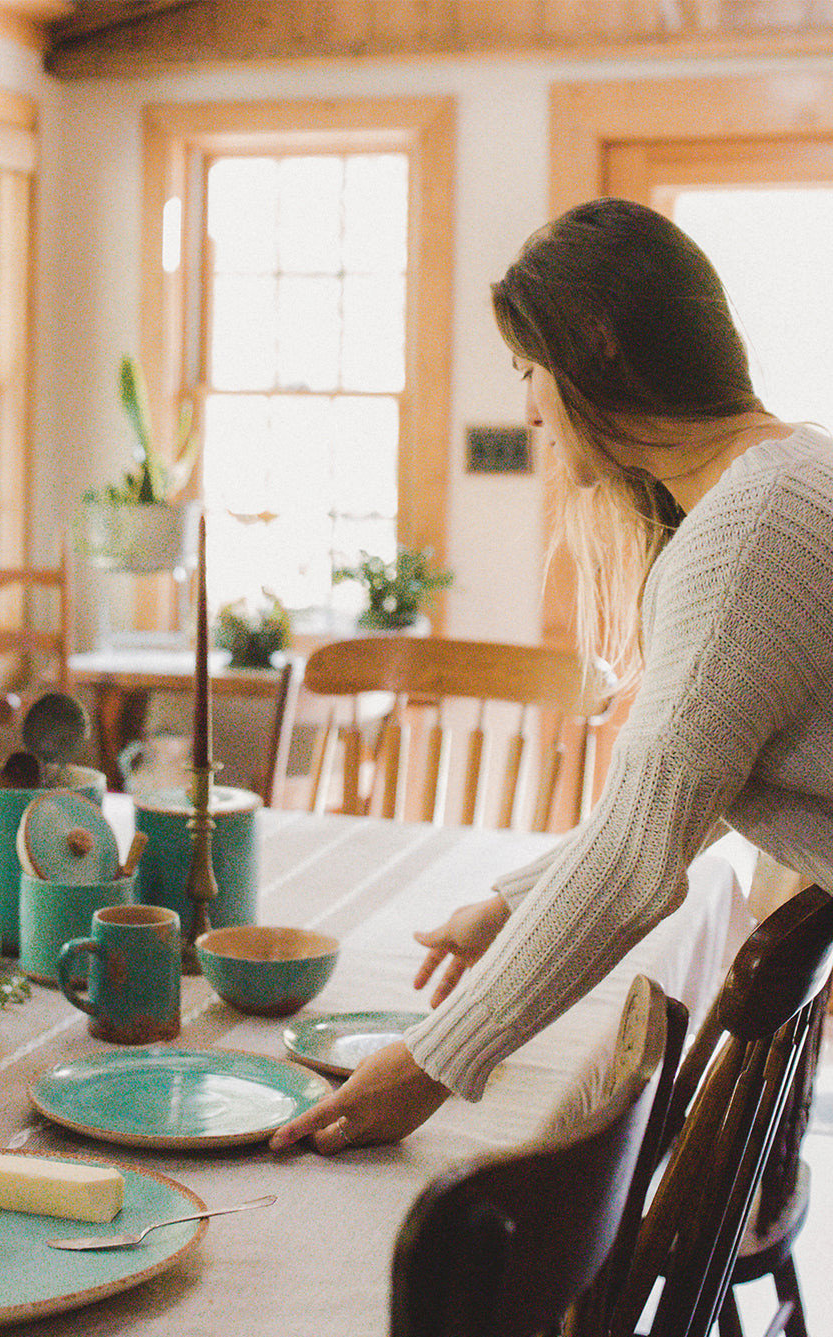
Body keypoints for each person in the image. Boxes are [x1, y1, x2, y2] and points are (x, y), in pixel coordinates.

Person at [270, 197, 833, 1155]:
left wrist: (429, 1064)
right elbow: (690, 789)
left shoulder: (747, 538)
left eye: (528, 370)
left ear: (596, 347)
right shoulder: (789, 473)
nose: (530, 409)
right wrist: (513, 904)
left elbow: (634, 857)